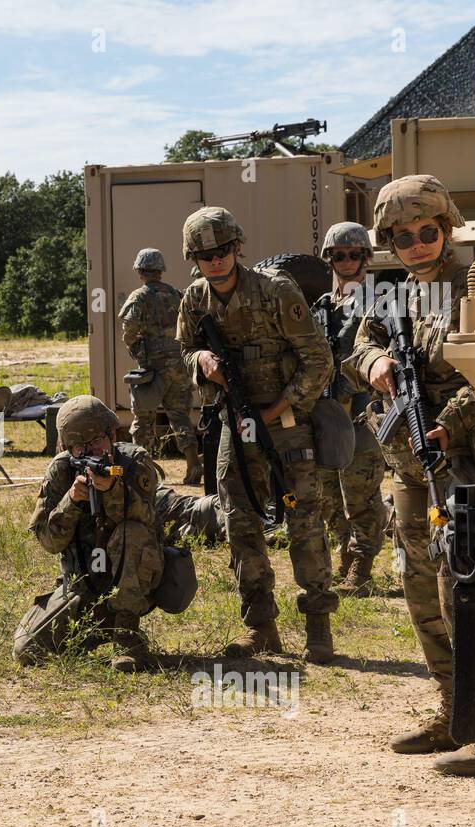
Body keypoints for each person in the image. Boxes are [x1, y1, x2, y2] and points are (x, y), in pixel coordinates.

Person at [347, 174, 475, 776]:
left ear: (448, 228)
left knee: (467, 587)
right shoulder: (393, 295)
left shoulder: (474, 285)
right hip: (409, 465)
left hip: (464, 463)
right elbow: (359, 346)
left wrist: (449, 422)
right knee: (421, 586)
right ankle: (454, 713)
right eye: (402, 237)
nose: (416, 244)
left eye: (427, 232)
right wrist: (375, 366)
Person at [175, 206, 338, 663]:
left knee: (304, 522)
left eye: (224, 250)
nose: (216, 261)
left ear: (238, 246)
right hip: (234, 424)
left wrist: (281, 408)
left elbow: (318, 360)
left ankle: (318, 628)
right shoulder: (194, 301)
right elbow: (186, 348)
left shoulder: (275, 290)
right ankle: (261, 627)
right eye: (206, 255)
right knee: (240, 525)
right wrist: (202, 362)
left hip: (285, 424)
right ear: (194, 258)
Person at [12, 395, 166, 672]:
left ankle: (126, 636)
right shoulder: (61, 471)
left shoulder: (132, 462)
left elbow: (146, 521)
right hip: (83, 584)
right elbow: (49, 542)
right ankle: (97, 628)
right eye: (80, 446)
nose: (91, 450)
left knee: (132, 532)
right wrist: (70, 501)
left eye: (97, 441)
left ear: (111, 434)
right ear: (68, 447)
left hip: (133, 581)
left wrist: (111, 491)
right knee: (28, 650)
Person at [314, 223, 387, 595]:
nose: (347, 262)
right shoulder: (322, 307)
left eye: (355, 255)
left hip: (362, 412)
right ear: (329, 259)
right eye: (339, 255)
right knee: (326, 492)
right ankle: (343, 549)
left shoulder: (383, 302)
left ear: (366, 258)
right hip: (325, 413)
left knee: (360, 492)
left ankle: (362, 563)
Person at [119, 248, 202, 483]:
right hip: (179, 364)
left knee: (144, 419)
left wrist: (137, 350)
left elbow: (129, 328)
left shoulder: (139, 296)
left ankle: (140, 470)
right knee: (180, 416)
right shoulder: (176, 294)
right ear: (160, 269)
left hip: (153, 369)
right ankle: (193, 465)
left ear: (140, 270)